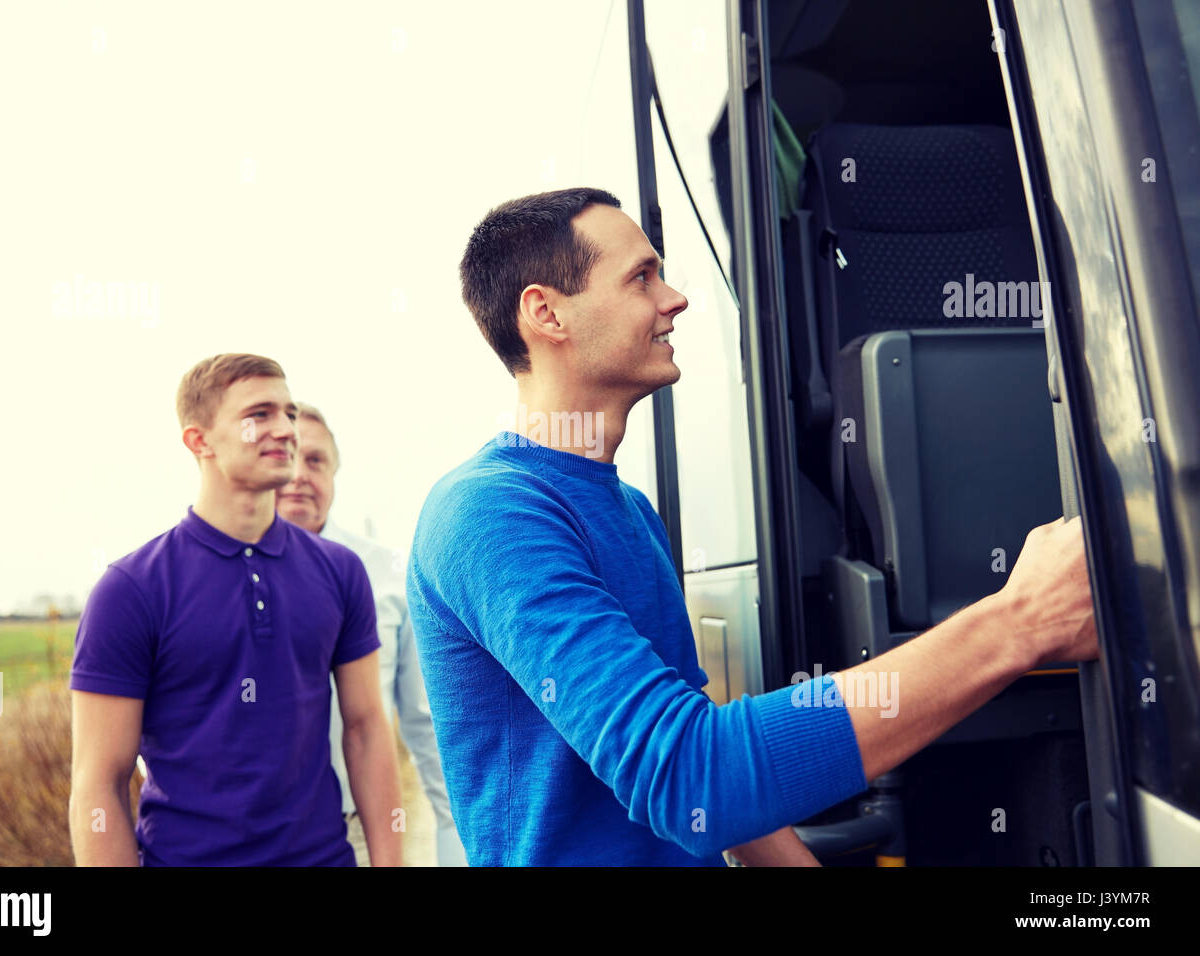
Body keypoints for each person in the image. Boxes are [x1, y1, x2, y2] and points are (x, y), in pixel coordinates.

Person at [406, 187, 1099, 866]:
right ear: (545, 313)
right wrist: (1019, 623)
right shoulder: (488, 515)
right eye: (642, 278)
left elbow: (711, 794)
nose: (673, 299)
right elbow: (689, 775)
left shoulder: (630, 512)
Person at [68, 353, 403, 866]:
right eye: (259, 415)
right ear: (198, 440)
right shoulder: (129, 590)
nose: (285, 429)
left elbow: (365, 730)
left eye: (289, 413)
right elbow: (99, 783)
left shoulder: (341, 571)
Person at [276, 402, 466, 867]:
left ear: (335, 472)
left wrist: (451, 840)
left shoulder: (386, 573)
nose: (300, 474)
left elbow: (424, 723)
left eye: (316, 460)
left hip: (355, 837)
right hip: (246, 836)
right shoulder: (218, 572)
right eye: (290, 458)